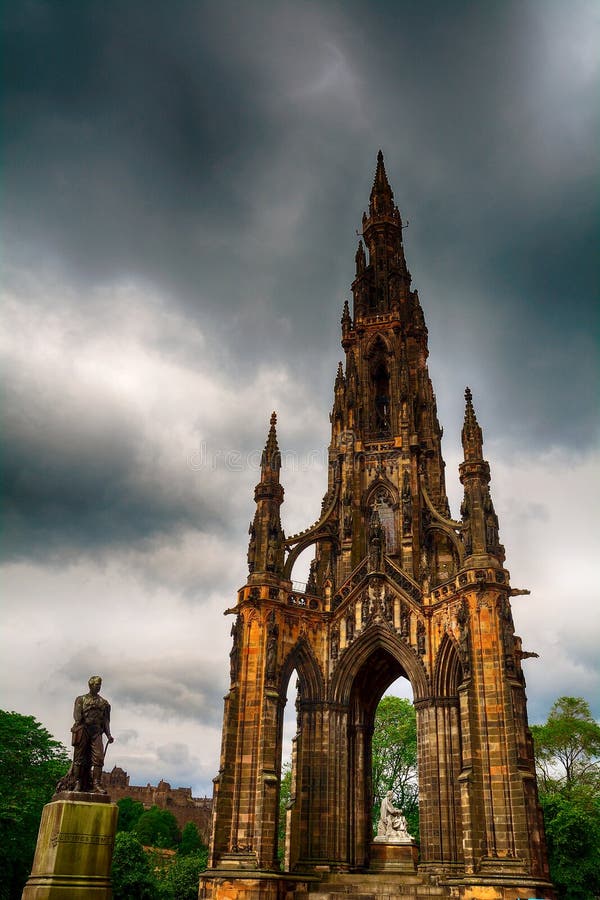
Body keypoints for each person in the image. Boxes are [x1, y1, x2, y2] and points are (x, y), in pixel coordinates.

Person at [70, 675, 114, 793]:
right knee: (79, 758)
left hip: (96, 732)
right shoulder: (81, 699)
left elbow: (105, 721)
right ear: (90, 685)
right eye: (96, 684)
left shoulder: (104, 703)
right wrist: (78, 724)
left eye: (99, 685)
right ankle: (78, 783)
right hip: (83, 730)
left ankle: (96, 784)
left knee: (99, 758)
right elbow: (77, 716)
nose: (98, 687)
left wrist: (108, 734)